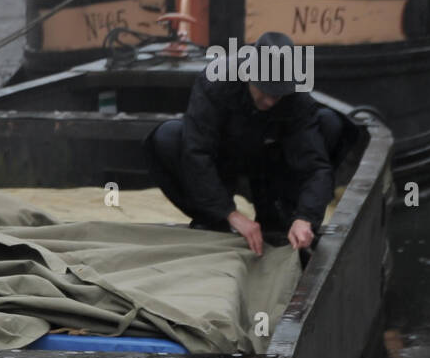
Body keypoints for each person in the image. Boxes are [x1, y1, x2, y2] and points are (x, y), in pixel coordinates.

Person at [144, 32, 346, 255]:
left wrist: (306, 217)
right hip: (224, 160)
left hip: (271, 167)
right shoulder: (215, 82)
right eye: (265, 90)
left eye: (277, 94)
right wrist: (229, 213)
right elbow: (197, 152)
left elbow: (315, 165)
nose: (270, 101)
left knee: (329, 123)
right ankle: (211, 219)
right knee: (167, 137)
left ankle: (282, 217)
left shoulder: (295, 97)